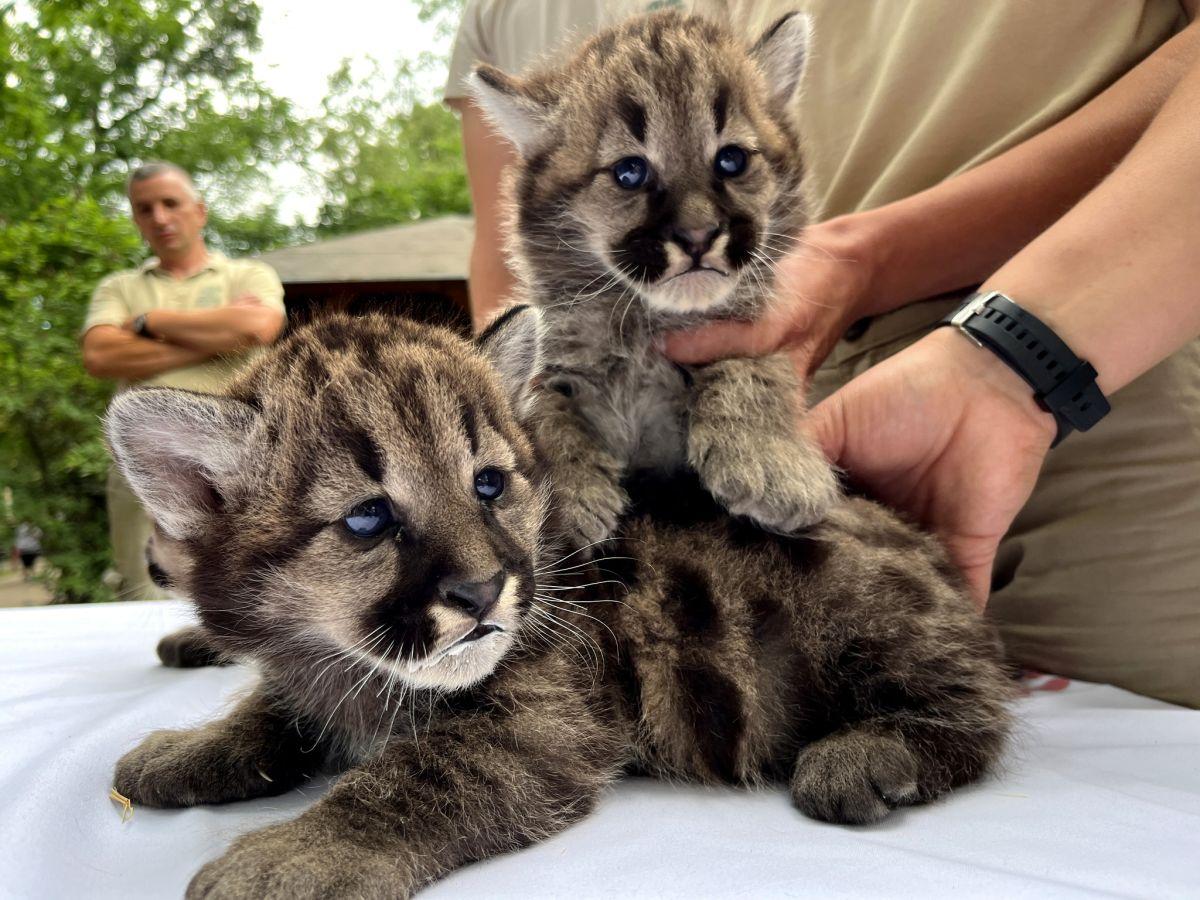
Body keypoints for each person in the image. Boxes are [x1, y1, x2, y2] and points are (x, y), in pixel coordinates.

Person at [446, 1, 1200, 706]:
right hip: (784, 546)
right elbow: (503, 268)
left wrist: (994, 351)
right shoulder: (514, 24)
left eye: (731, 165)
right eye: (632, 176)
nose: (700, 223)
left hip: (1106, 521)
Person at [81, 161, 286, 601]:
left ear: (200, 211)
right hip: (148, 460)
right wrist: (214, 338)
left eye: (170, 203)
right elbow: (99, 354)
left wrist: (149, 321)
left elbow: (260, 326)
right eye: (145, 208)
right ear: (135, 219)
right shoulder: (118, 287)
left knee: (258, 586)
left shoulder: (248, 275)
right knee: (147, 588)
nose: (159, 217)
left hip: (245, 461)